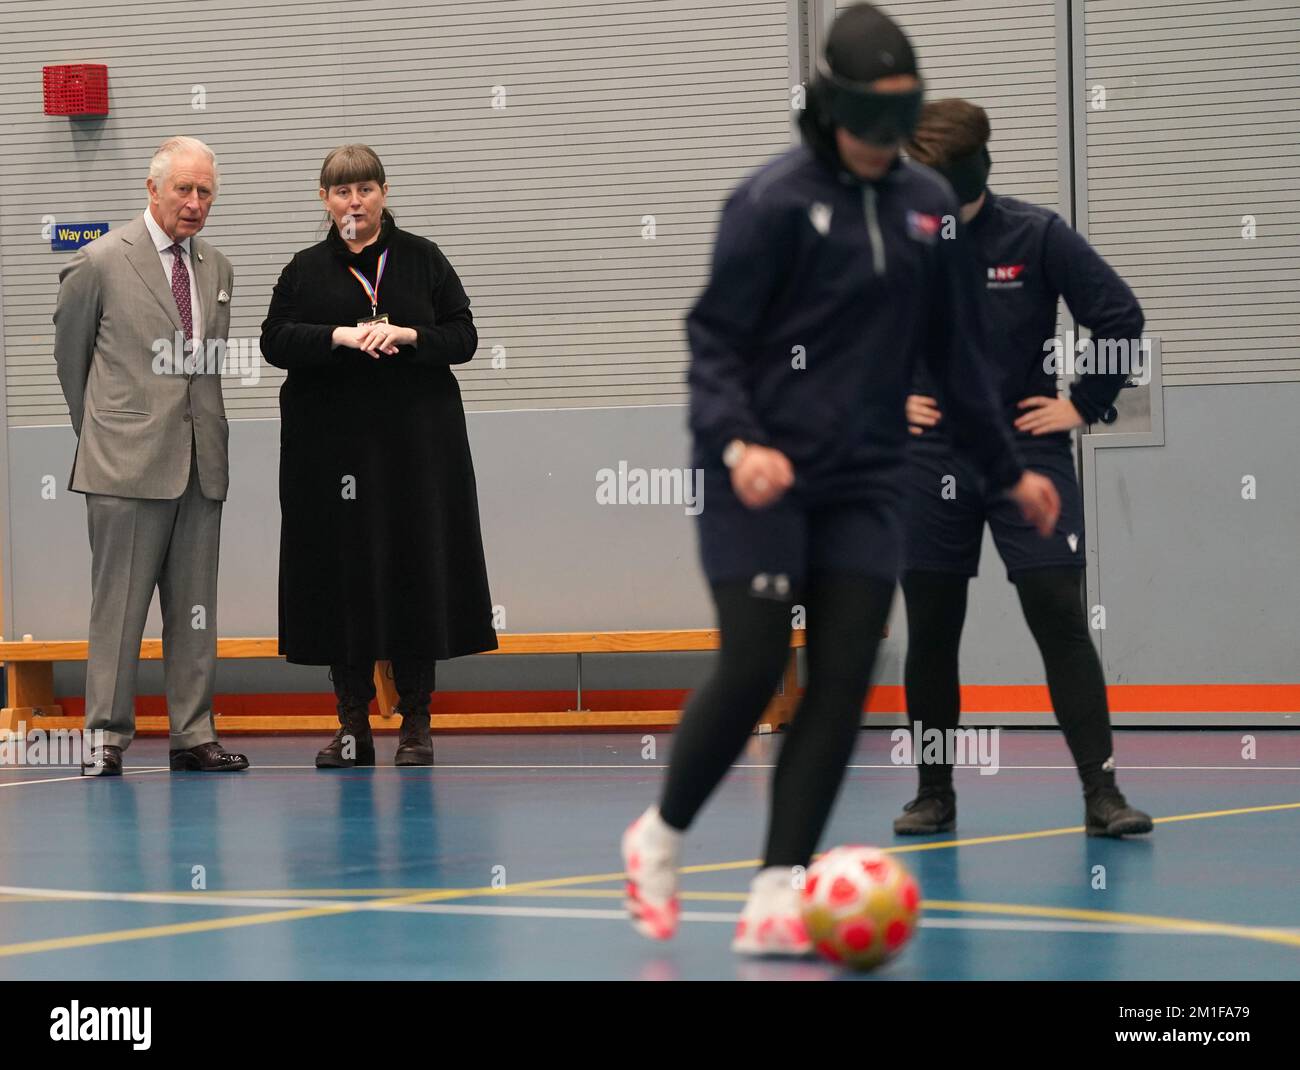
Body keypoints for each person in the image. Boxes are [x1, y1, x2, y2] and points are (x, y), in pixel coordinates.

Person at [620, 4, 1060, 956]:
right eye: (866, 127)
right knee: (754, 666)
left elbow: (956, 355)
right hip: (759, 474)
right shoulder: (770, 203)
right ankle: (659, 836)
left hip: (866, 479)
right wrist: (740, 443)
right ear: (831, 112)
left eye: (897, 129)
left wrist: (1008, 471)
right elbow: (713, 341)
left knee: (844, 675)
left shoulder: (926, 207)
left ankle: (777, 887)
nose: (879, 146)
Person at [896, 98, 1153, 838]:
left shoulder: (1036, 235)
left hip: (1026, 453)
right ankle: (933, 793)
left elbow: (1119, 317)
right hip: (932, 458)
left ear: (980, 163)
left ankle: (1102, 795)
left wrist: (1085, 405)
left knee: (1058, 614)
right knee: (933, 631)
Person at [260, 145, 497, 769]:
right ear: (324, 200)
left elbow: (464, 335)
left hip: (416, 456)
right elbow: (274, 341)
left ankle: (416, 726)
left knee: (416, 575)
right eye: (341, 192)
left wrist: (410, 335)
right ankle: (351, 729)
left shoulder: (423, 259)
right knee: (343, 583)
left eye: (364, 189)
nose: (354, 202)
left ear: (384, 193)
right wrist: (338, 336)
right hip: (329, 459)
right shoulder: (305, 270)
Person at [54, 135, 248, 775]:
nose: (194, 203)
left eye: (205, 193)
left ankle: (194, 735)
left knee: (196, 609)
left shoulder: (216, 268)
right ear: (152, 189)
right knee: (119, 610)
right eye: (183, 190)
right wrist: (106, 434)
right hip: (124, 466)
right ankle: (104, 738)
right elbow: (70, 361)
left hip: (200, 464)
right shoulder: (100, 262)